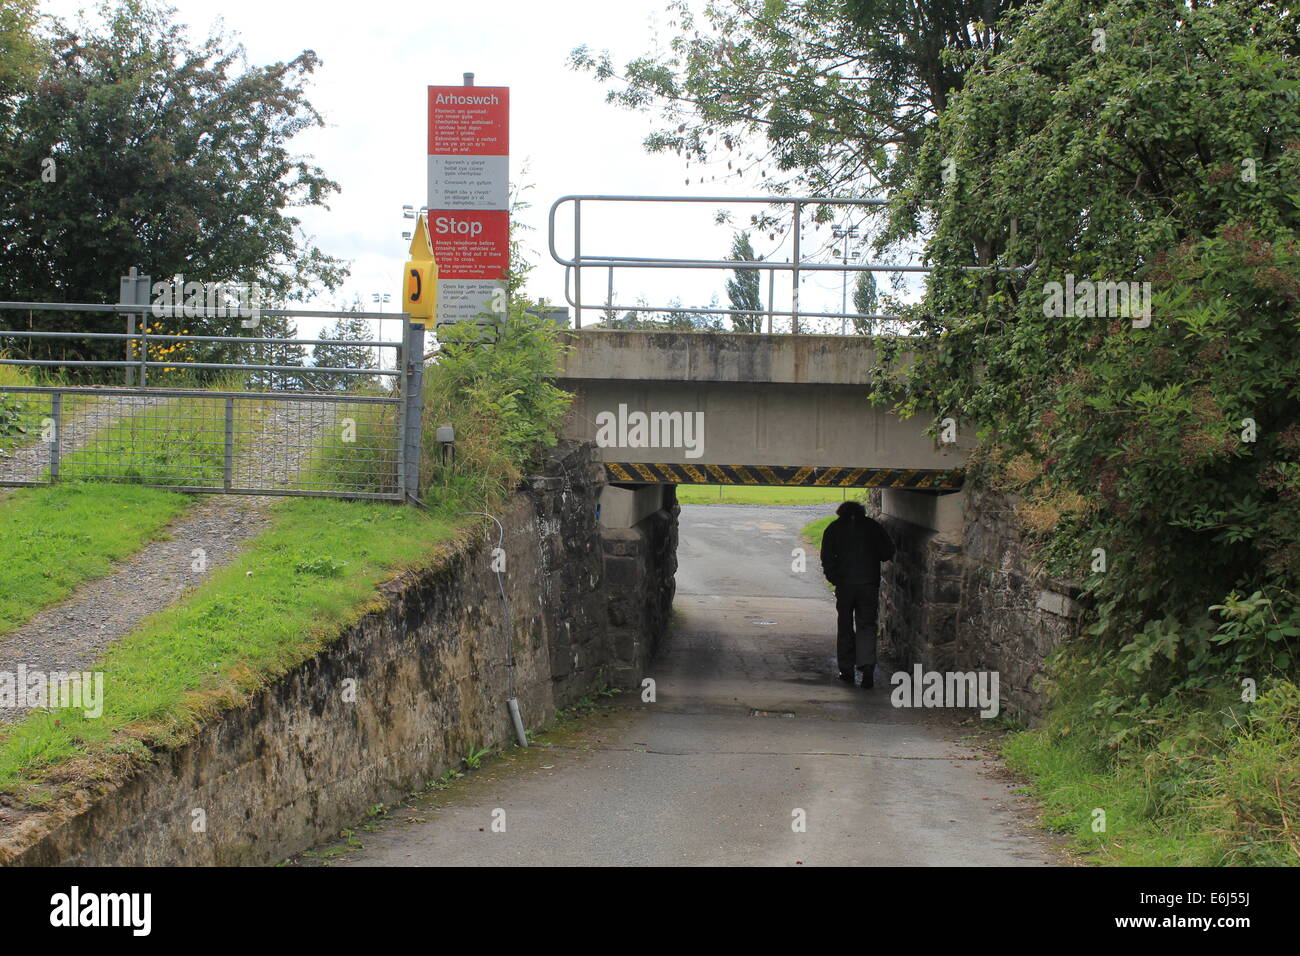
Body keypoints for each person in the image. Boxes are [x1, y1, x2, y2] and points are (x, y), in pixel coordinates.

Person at [819, 500, 895, 688]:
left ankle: (846, 670)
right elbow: (887, 552)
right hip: (868, 584)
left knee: (844, 625)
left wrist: (834, 578)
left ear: (841, 512)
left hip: (844, 585)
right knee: (867, 625)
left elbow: (826, 557)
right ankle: (867, 668)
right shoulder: (873, 527)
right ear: (861, 512)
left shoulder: (834, 528)